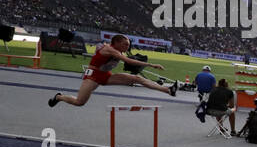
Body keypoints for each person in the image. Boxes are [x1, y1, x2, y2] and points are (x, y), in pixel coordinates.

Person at [48, 34, 176, 107]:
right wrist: (151, 65)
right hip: (92, 76)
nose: (128, 47)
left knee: (137, 79)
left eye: (128, 45)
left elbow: (128, 59)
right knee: (79, 102)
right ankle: (59, 97)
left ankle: (168, 90)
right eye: (125, 44)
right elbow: (128, 61)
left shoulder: (117, 51)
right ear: (116, 42)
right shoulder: (109, 49)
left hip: (105, 75)